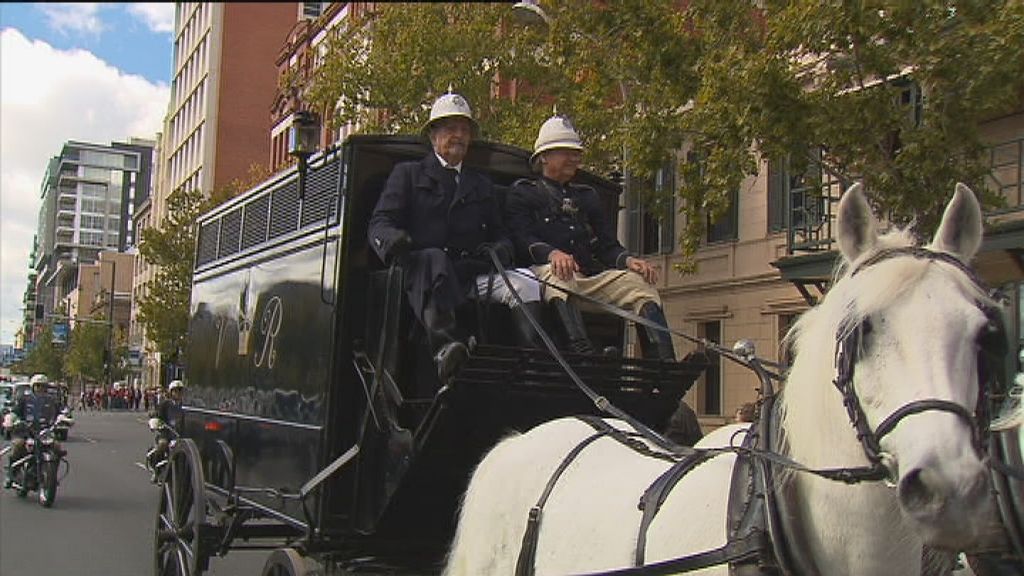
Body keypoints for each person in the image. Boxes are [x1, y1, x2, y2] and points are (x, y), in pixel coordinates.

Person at [368, 90, 543, 385]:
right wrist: (394, 241)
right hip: (423, 274)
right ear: (433, 135)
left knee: (527, 282)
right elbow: (380, 223)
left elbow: (501, 233)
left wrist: (501, 249)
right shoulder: (408, 174)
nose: (459, 135)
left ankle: (535, 366)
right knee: (434, 260)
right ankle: (446, 350)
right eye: (451, 128)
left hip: (470, 274)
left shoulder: (481, 184)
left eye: (464, 130)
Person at [505, 114, 677, 360]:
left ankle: (664, 361)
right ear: (543, 157)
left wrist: (629, 261)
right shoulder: (523, 193)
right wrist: (552, 254)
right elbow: (522, 239)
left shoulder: (587, 197)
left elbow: (607, 245)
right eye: (565, 152)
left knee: (640, 284)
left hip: (586, 281)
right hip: (544, 279)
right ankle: (582, 355)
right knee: (560, 273)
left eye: (576, 153)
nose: (574, 159)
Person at [4, 374, 61, 488]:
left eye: (43, 386)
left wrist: (63, 418)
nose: (40, 389)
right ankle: (10, 474)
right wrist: (11, 420)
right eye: (38, 386)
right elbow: (14, 412)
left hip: (44, 433)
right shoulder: (24, 399)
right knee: (18, 445)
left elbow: (60, 412)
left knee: (56, 447)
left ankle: (52, 475)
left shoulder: (52, 401)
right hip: (25, 432)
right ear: (33, 387)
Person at [146, 380, 184, 480]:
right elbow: (158, 416)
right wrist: (156, 422)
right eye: (175, 391)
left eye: (180, 391)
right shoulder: (165, 404)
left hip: (182, 434)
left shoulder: (184, 406)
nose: (178, 393)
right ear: (171, 392)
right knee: (162, 444)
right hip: (167, 433)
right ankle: (156, 471)